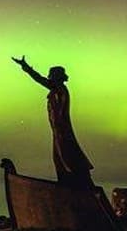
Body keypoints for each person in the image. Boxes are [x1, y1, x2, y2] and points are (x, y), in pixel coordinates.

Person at [12, 55, 95, 188]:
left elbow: (40, 80)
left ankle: (74, 183)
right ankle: (68, 182)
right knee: (60, 157)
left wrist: (26, 67)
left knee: (66, 156)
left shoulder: (59, 89)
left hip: (62, 130)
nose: (50, 78)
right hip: (58, 130)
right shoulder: (59, 89)